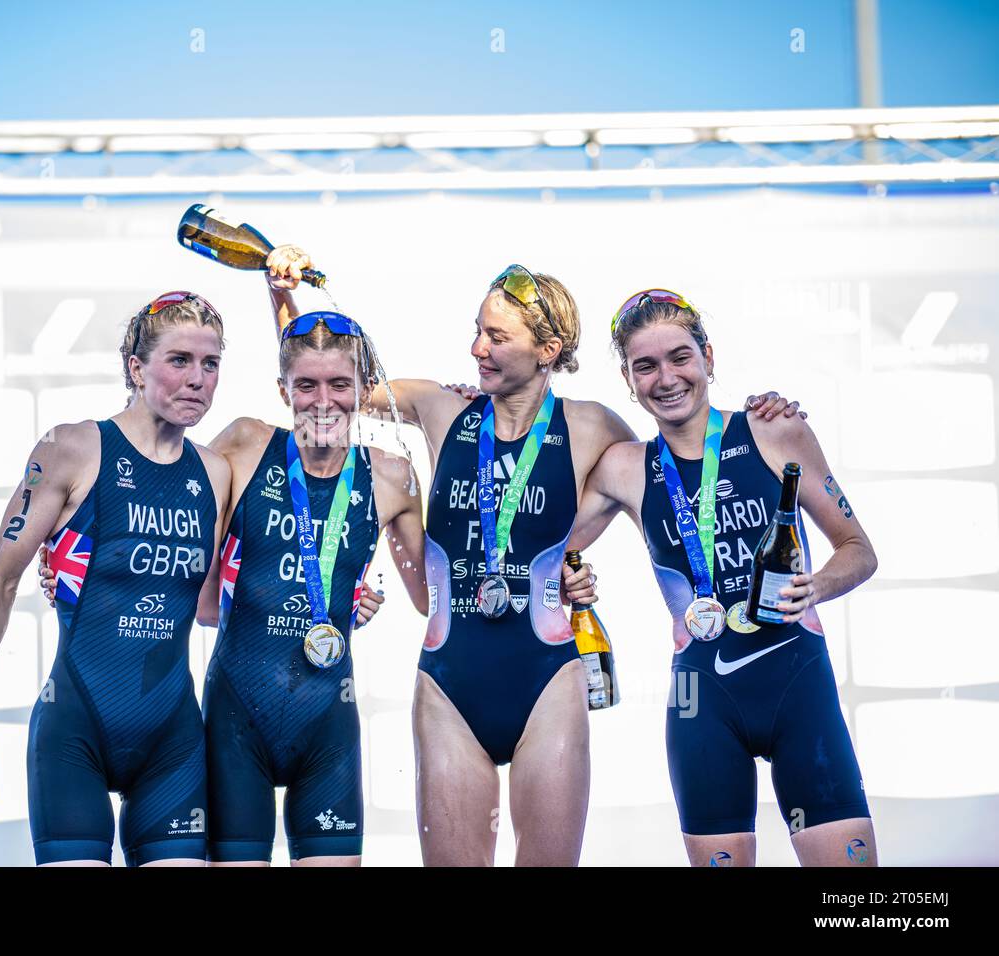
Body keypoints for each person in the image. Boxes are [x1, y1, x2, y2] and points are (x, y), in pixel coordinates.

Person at [262, 246, 798, 866]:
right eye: (476, 334)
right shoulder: (445, 408)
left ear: (547, 350)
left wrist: (764, 421)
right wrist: (283, 299)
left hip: (549, 677)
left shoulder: (593, 425)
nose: (476, 350)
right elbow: (330, 382)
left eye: (495, 336)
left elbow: (676, 473)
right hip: (449, 681)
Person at [43, 311, 428, 866]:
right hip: (236, 719)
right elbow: (186, 567)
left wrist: (558, 570)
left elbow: (430, 594)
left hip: (328, 724)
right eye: (306, 386)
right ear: (283, 390)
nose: (324, 402)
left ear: (364, 392)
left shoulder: (394, 478)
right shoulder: (244, 448)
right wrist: (75, 566)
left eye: (340, 385)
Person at [569, 288, 878, 866]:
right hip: (703, 700)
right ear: (629, 380)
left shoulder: (773, 431)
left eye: (680, 357)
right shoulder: (625, 466)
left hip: (798, 684)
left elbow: (858, 549)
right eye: (646, 365)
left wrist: (818, 585)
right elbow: (540, 550)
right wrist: (570, 580)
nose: (667, 378)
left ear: (708, 358)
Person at [0, 291, 231, 867]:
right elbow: (1, 574)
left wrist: (340, 606)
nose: (197, 379)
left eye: (210, 363)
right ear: (135, 368)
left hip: (173, 738)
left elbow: (211, 605)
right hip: (75, 732)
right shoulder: (71, 447)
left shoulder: (215, 472)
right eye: (179, 361)